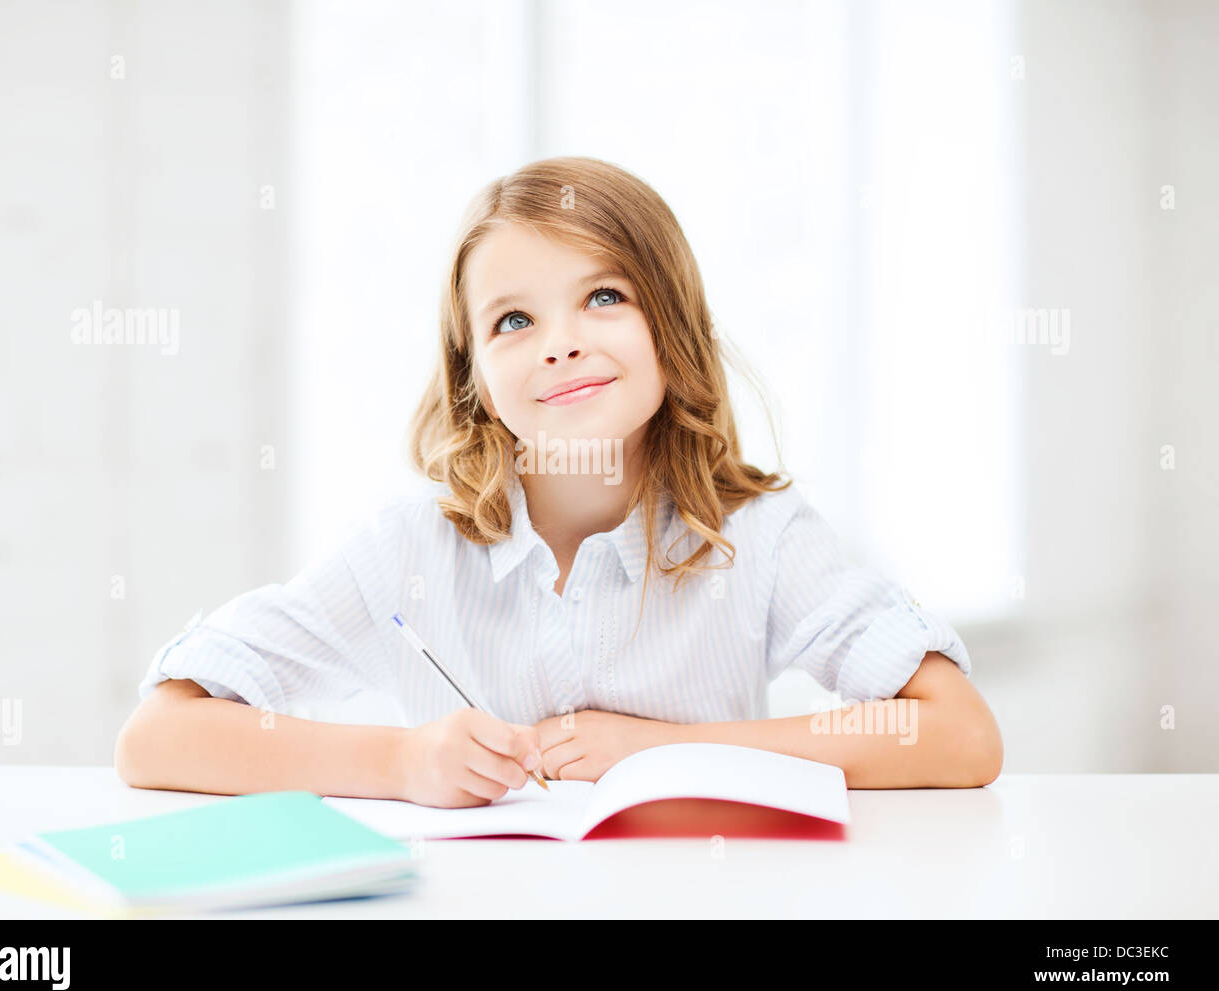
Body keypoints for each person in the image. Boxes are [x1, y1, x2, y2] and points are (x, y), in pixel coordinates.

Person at [115, 156, 1003, 807]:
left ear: (673, 323)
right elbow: (158, 737)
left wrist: (665, 753)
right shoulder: (410, 546)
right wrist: (399, 764)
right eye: (513, 319)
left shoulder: (758, 533)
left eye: (604, 297)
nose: (561, 342)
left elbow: (959, 734)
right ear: (476, 380)